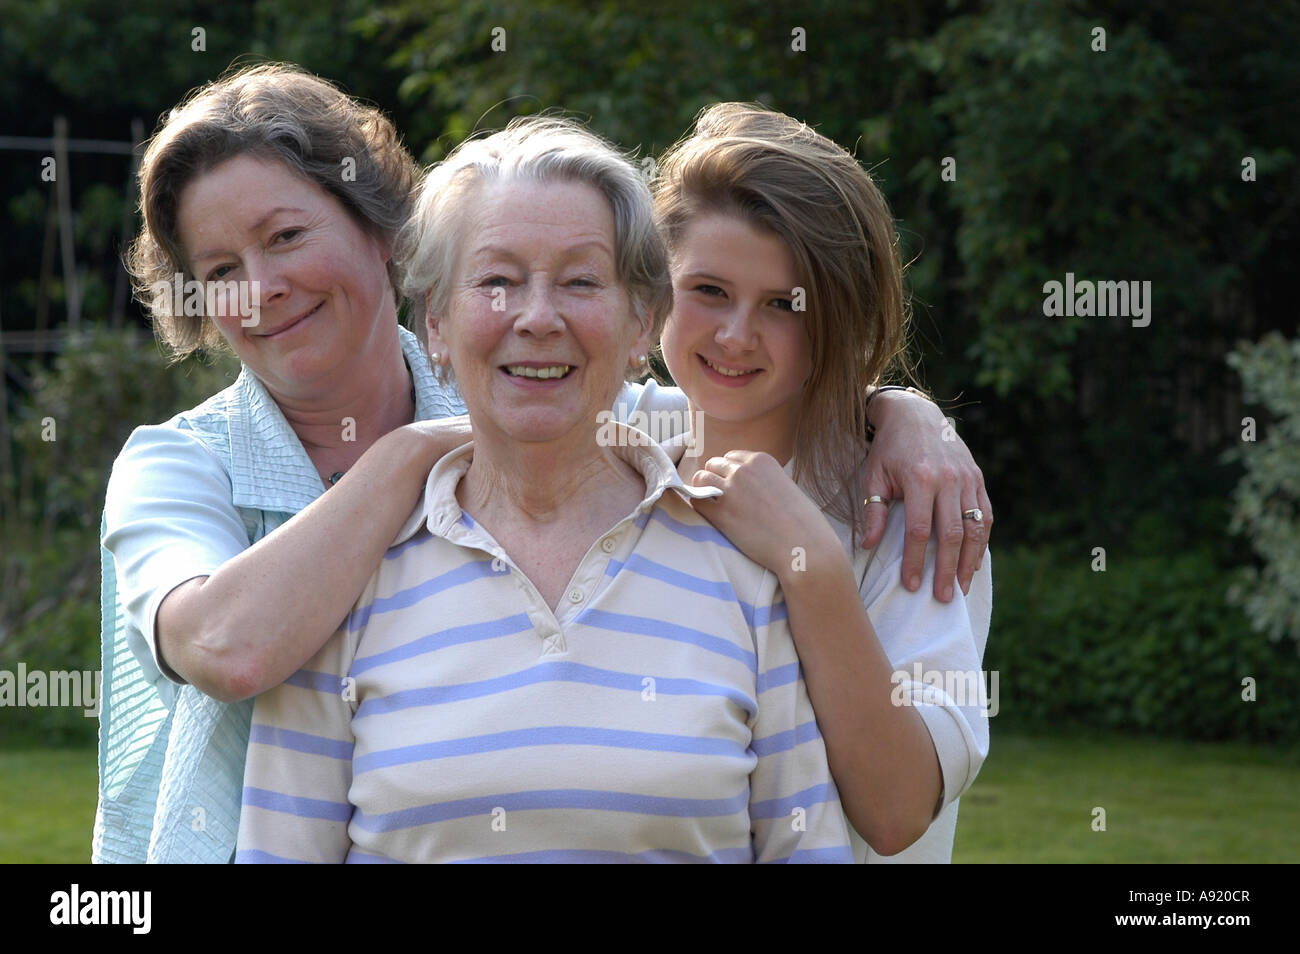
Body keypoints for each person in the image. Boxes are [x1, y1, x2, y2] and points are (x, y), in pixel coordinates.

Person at [96, 63, 988, 865]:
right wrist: (408, 458)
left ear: (382, 235)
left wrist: (901, 413)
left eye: (286, 236)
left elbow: (739, 416)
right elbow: (227, 645)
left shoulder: (612, 435)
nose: (260, 285)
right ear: (441, 316)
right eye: (220, 270)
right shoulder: (179, 465)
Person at [235, 116, 853, 863]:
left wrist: (903, 414)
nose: (535, 317)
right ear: (435, 322)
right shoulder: (344, 576)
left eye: (580, 281)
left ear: (640, 324)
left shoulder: (741, 564)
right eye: (495, 281)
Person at [646, 103, 993, 861]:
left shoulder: (907, 507)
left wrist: (808, 555)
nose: (736, 335)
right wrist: (909, 406)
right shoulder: (618, 448)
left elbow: (899, 810)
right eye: (707, 289)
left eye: (783, 305)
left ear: (842, 314)